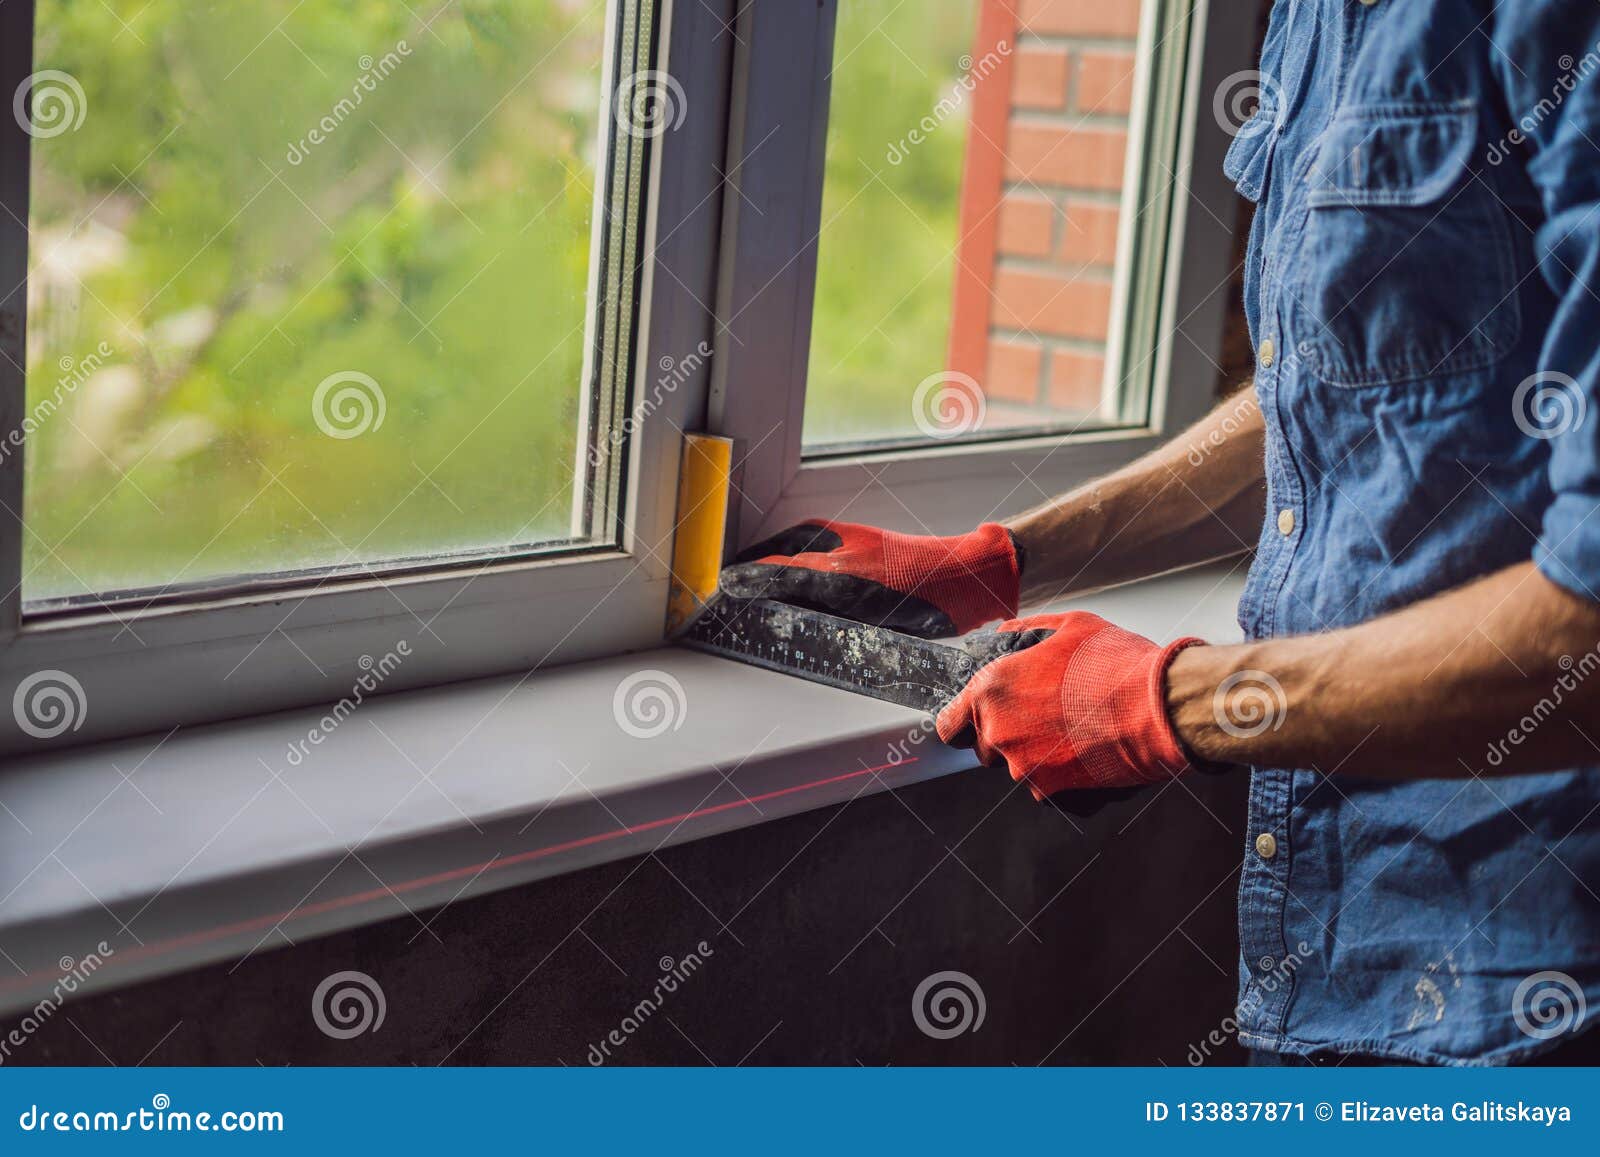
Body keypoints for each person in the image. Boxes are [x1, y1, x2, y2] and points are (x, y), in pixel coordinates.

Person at [719, 0, 1600, 1065]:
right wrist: (1002, 557)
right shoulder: (1316, 21)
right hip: (1331, 943)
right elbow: (1349, 390)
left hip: (1535, 979)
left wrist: (1161, 703)